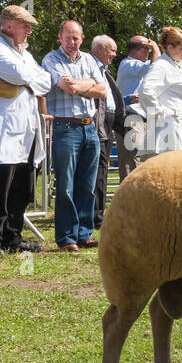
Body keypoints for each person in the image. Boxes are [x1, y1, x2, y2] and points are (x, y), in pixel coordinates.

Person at [0, 5, 53, 259]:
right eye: (25, 26)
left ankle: (13, 237)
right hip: (4, 129)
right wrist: (28, 79)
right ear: (9, 25)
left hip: (27, 130)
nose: (29, 31)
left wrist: (28, 80)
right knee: (1, 186)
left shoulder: (25, 54)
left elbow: (45, 81)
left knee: (22, 188)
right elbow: (22, 74)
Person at [42, 20, 107, 251]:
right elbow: (67, 87)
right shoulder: (51, 59)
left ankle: (84, 234)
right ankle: (67, 237)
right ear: (60, 37)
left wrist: (80, 84)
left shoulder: (89, 59)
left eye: (76, 38)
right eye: (68, 37)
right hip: (65, 127)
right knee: (66, 185)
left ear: (83, 38)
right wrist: (89, 82)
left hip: (89, 127)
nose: (72, 42)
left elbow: (103, 90)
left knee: (87, 185)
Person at [137, 26, 182, 160]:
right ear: (170, 47)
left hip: (180, 130)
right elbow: (145, 91)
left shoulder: (173, 65)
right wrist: (160, 113)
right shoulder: (161, 66)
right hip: (171, 132)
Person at [90, 34, 125, 228]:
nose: (114, 54)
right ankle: (95, 217)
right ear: (100, 49)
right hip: (96, 124)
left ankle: (98, 215)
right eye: (112, 50)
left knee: (102, 170)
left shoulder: (105, 71)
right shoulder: (91, 66)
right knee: (97, 171)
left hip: (108, 124)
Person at [114, 35, 159, 180]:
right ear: (140, 49)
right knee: (131, 162)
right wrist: (156, 49)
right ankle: (129, 199)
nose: (149, 52)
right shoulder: (128, 64)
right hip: (131, 119)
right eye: (147, 48)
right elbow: (156, 66)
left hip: (141, 119)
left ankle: (137, 198)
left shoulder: (137, 69)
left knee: (142, 162)